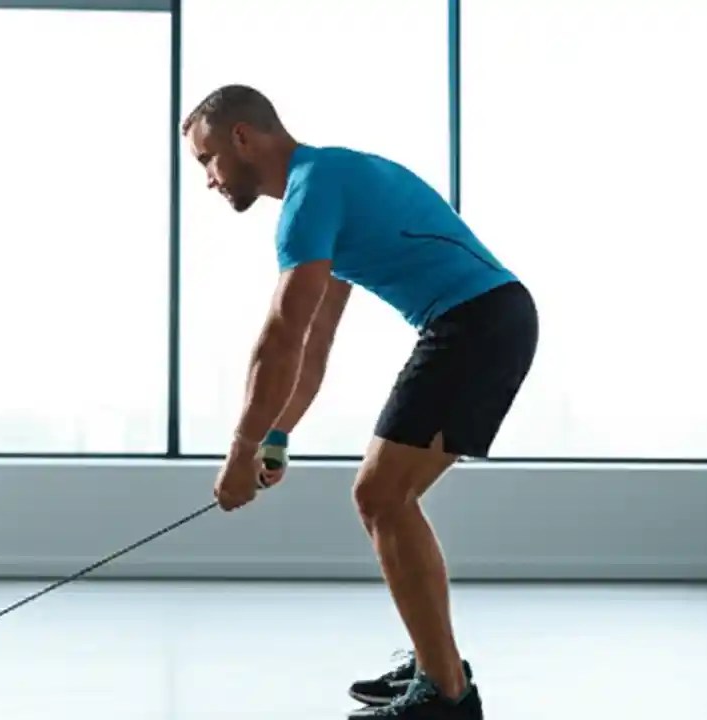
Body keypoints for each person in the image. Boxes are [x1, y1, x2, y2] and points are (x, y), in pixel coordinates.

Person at [183, 84, 539, 720]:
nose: (208, 179)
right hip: (483, 321)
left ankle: (446, 694)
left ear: (243, 138)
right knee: (385, 497)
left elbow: (281, 336)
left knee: (380, 496)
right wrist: (277, 435)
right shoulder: (331, 181)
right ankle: (438, 666)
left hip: (475, 323)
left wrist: (239, 451)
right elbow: (314, 346)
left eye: (206, 159)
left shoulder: (310, 193)